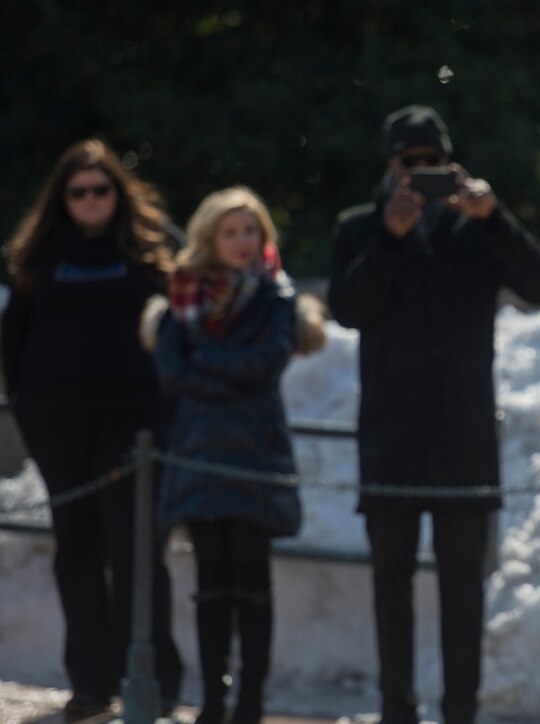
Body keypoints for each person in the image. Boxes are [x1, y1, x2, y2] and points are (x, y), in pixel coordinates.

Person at [327, 104, 540, 724]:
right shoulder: (359, 227)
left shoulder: (476, 227)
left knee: (463, 592)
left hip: (463, 439)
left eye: (434, 163)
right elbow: (347, 308)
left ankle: (462, 712)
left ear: (451, 163)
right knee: (390, 590)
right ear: (390, 165)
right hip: (392, 438)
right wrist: (389, 236)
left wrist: (493, 217)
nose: (422, 174)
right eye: (411, 163)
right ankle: (395, 710)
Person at [0, 138, 183, 719]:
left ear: (118, 193)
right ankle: (90, 682)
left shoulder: (153, 250)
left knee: (138, 549)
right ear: (63, 197)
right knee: (76, 548)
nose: (90, 200)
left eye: (101, 189)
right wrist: (25, 406)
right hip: (59, 423)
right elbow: (14, 341)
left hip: (137, 422)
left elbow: (180, 331)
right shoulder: (40, 256)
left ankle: (152, 679)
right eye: (78, 191)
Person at [147, 186, 325, 724]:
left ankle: (251, 697)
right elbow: (172, 373)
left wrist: (208, 369)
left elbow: (264, 365)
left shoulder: (278, 298)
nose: (243, 242)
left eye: (252, 231)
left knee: (252, 582)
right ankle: (214, 699)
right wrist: (222, 372)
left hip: (255, 454)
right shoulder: (181, 299)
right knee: (209, 585)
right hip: (199, 454)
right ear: (210, 239)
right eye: (232, 232)